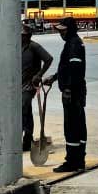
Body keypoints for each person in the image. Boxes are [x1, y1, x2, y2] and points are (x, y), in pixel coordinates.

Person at [43, 17, 87, 172]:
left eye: (63, 31)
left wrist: (68, 89)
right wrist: (54, 78)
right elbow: (67, 68)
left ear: (70, 30)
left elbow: (74, 69)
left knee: (72, 126)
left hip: (73, 92)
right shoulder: (73, 42)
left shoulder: (73, 44)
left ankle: (72, 162)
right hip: (77, 90)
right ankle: (79, 159)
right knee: (79, 125)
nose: (61, 34)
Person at [21, 22, 53, 152]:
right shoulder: (17, 47)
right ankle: (27, 139)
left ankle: (25, 138)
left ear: (29, 36)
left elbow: (49, 59)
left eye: (24, 35)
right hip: (19, 84)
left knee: (23, 108)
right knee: (26, 111)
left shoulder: (34, 47)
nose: (22, 37)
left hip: (30, 85)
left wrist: (39, 75)